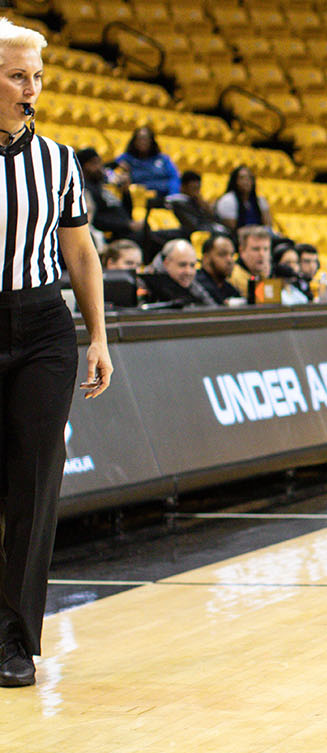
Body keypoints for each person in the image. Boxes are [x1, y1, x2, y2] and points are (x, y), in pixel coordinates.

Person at [0, 18, 113, 687]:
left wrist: (97, 335)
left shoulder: (58, 160)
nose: (31, 89)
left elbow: (79, 250)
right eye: (17, 75)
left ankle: (15, 639)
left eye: (36, 76)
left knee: (36, 485)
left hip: (43, 324)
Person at [77, 147, 142, 243]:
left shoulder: (102, 185)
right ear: (84, 166)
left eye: (100, 162)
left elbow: (127, 213)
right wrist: (127, 225)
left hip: (126, 232)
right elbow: (95, 220)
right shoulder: (85, 189)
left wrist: (125, 192)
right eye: (94, 163)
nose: (100, 167)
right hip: (112, 236)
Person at [139, 239, 214, 307]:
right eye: (182, 265)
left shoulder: (191, 283)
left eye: (192, 265)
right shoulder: (144, 282)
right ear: (166, 263)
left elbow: (211, 308)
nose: (188, 271)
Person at [114, 125, 180, 196]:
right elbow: (110, 170)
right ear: (134, 141)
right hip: (138, 198)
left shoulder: (163, 159)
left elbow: (174, 177)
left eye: (146, 139)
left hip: (163, 197)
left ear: (152, 141)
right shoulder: (126, 158)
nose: (143, 142)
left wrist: (173, 195)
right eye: (140, 139)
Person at [165, 170, 225, 236]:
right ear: (183, 187)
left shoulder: (198, 201)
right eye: (193, 188)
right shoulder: (177, 201)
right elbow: (194, 226)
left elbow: (216, 219)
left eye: (198, 188)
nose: (196, 192)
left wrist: (205, 207)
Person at [214, 165, 273, 232]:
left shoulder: (260, 200)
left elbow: (268, 225)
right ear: (235, 181)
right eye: (242, 178)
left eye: (249, 178)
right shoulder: (227, 200)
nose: (246, 181)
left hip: (259, 234)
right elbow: (233, 228)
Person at [195, 231, 240, 305]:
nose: (229, 260)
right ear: (206, 258)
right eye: (222, 254)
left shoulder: (228, 288)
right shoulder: (197, 285)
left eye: (232, 255)